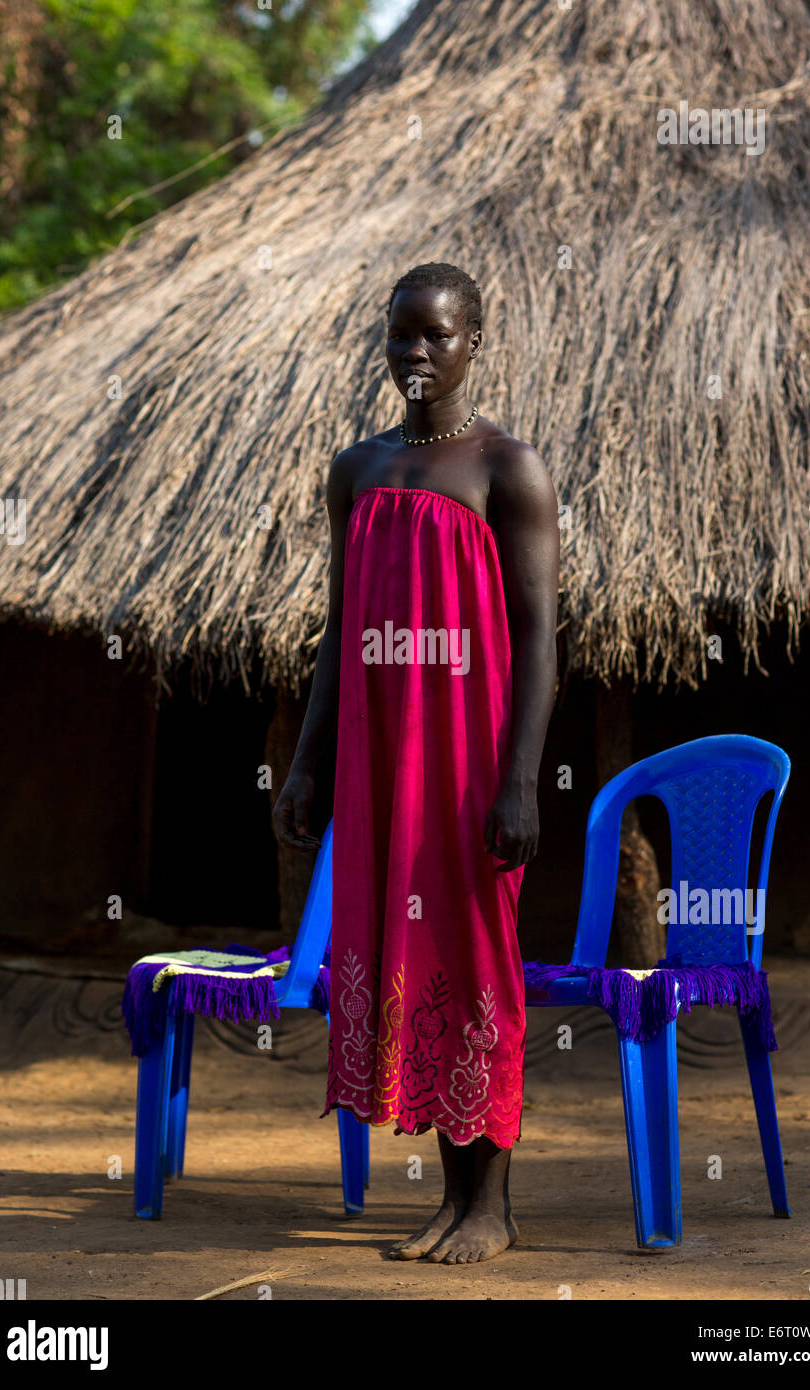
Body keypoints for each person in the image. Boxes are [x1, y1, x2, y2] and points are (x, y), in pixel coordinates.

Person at [274, 262, 558, 1264]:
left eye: (437, 334)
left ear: (474, 340)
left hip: (468, 758)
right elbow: (336, 630)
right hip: (377, 754)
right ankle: (451, 1199)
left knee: (473, 958)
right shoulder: (357, 469)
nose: (417, 352)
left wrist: (519, 778)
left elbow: (537, 636)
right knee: (410, 958)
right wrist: (308, 764)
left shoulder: (504, 468)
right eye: (402, 334)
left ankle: (493, 1204)